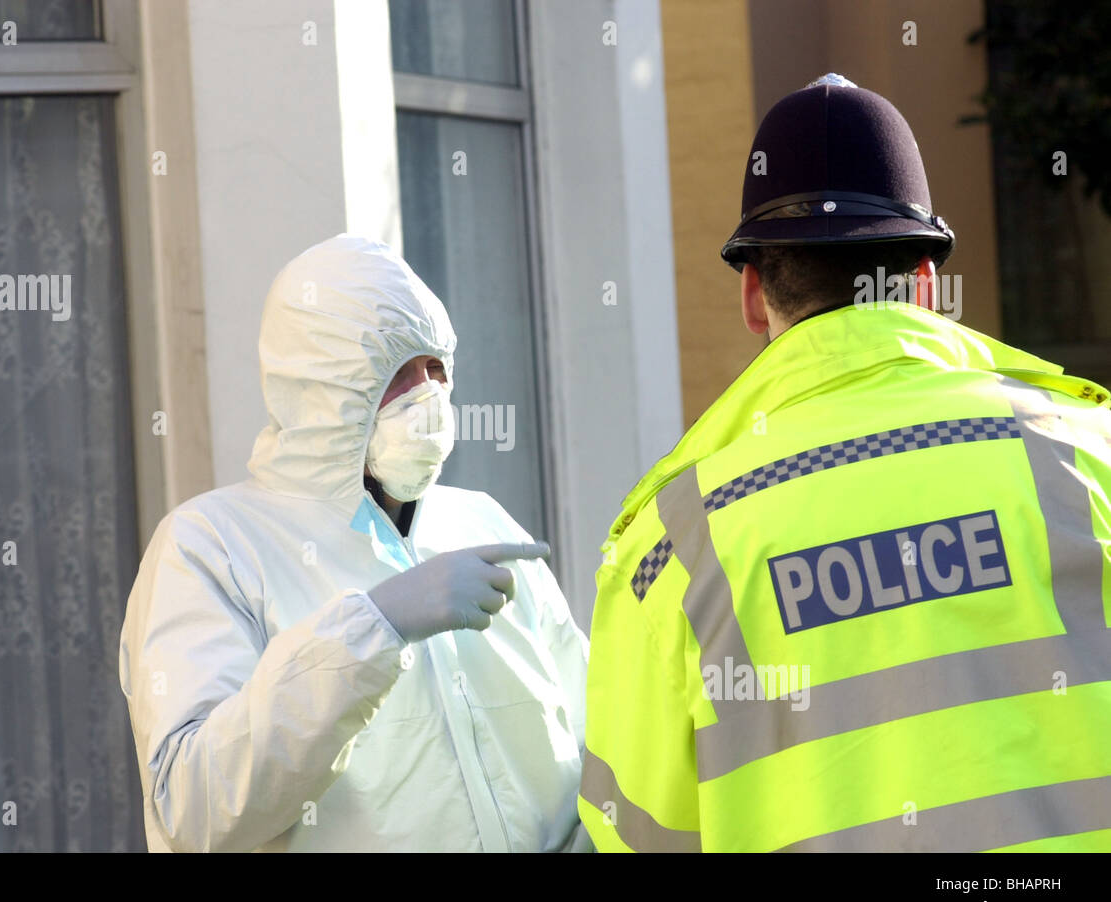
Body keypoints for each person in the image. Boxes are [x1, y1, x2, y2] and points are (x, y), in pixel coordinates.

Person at [579, 74, 1111, 852]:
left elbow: (634, 830)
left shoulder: (670, 549)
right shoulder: (1086, 458)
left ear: (754, 295)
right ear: (926, 284)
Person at [120, 233, 591, 852]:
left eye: (436, 367)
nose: (430, 394)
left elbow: (592, 730)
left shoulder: (482, 523)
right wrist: (375, 627)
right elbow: (195, 806)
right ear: (324, 390)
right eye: (398, 370)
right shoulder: (212, 548)